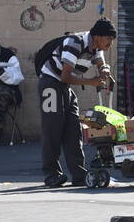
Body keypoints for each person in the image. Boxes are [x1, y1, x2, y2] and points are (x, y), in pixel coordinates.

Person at [39, 20, 117, 188]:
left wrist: (104, 70)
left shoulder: (95, 46)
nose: (110, 43)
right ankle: (51, 174)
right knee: (52, 129)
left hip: (64, 88)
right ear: (97, 36)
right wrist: (92, 81)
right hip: (51, 84)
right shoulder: (75, 43)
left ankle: (79, 174)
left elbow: (100, 60)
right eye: (108, 39)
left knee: (74, 130)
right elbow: (64, 77)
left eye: (112, 39)